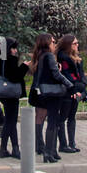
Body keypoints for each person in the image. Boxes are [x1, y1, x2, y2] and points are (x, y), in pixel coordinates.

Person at [29, 32, 73, 163]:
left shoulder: (40, 56)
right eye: (53, 42)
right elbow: (56, 75)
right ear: (47, 43)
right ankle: (48, 152)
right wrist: (70, 85)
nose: (54, 44)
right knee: (52, 122)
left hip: (42, 92)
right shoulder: (49, 56)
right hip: (52, 93)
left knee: (47, 120)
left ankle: (50, 150)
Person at [0, 36, 28, 159]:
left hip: (3, 93)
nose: (15, 51)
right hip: (11, 94)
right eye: (13, 48)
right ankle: (10, 149)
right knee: (11, 121)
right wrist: (24, 66)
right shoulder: (11, 59)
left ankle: (9, 149)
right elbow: (15, 77)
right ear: (8, 49)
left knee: (11, 120)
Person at [55, 34, 87, 154]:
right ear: (68, 45)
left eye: (77, 43)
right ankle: (63, 144)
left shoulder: (78, 58)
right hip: (67, 91)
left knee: (72, 117)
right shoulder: (63, 58)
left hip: (76, 89)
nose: (77, 45)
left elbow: (82, 75)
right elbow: (67, 76)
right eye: (75, 43)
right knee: (63, 117)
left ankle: (72, 143)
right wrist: (76, 87)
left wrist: (82, 86)